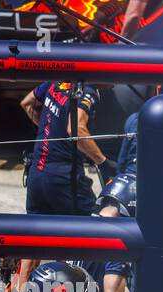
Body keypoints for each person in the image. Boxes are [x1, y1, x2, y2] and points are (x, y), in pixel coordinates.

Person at [20, 80, 112, 216]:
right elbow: (76, 129)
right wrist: (103, 162)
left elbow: (27, 103)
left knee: (40, 235)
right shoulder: (88, 91)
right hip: (65, 178)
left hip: (36, 176)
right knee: (93, 231)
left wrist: (51, 130)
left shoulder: (54, 82)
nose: (115, 83)